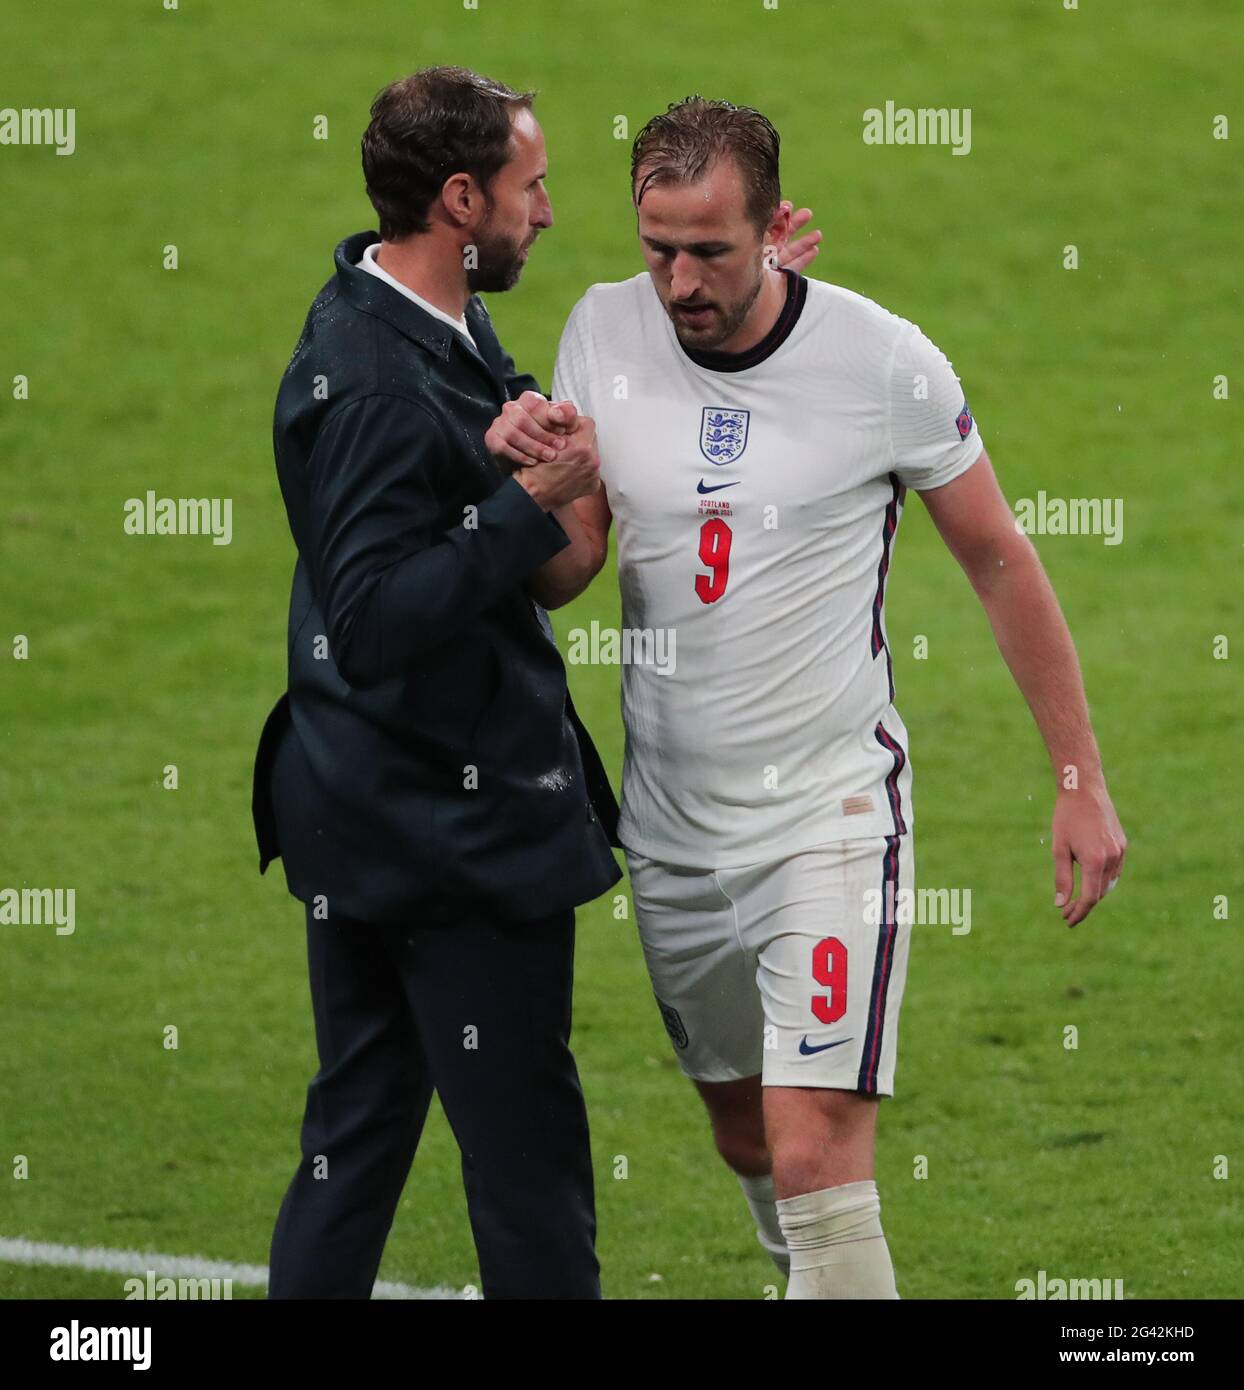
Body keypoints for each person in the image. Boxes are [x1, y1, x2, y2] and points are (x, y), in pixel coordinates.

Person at [500, 96, 1128, 1299]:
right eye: (657, 248)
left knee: (813, 1159)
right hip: (671, 829)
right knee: (748, 1138)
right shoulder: (598, 332)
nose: (677, 279)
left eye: (709, 251)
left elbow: (999, 557)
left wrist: (1076, 778)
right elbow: (571, 569)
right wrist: (530, 486)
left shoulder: (882, 362)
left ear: (773, 229)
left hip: (827, 819)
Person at [251, 66, 624, 1299]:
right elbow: (368, 620)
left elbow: (507, 546)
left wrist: (528, 453)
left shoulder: (432, 321)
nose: (548, 213)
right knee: (526, 1179)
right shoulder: (366, 379)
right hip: (445, 841)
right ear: (461, 199)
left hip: (367, 812)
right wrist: (521, 505)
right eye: (532, 187)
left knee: (353, 1143)